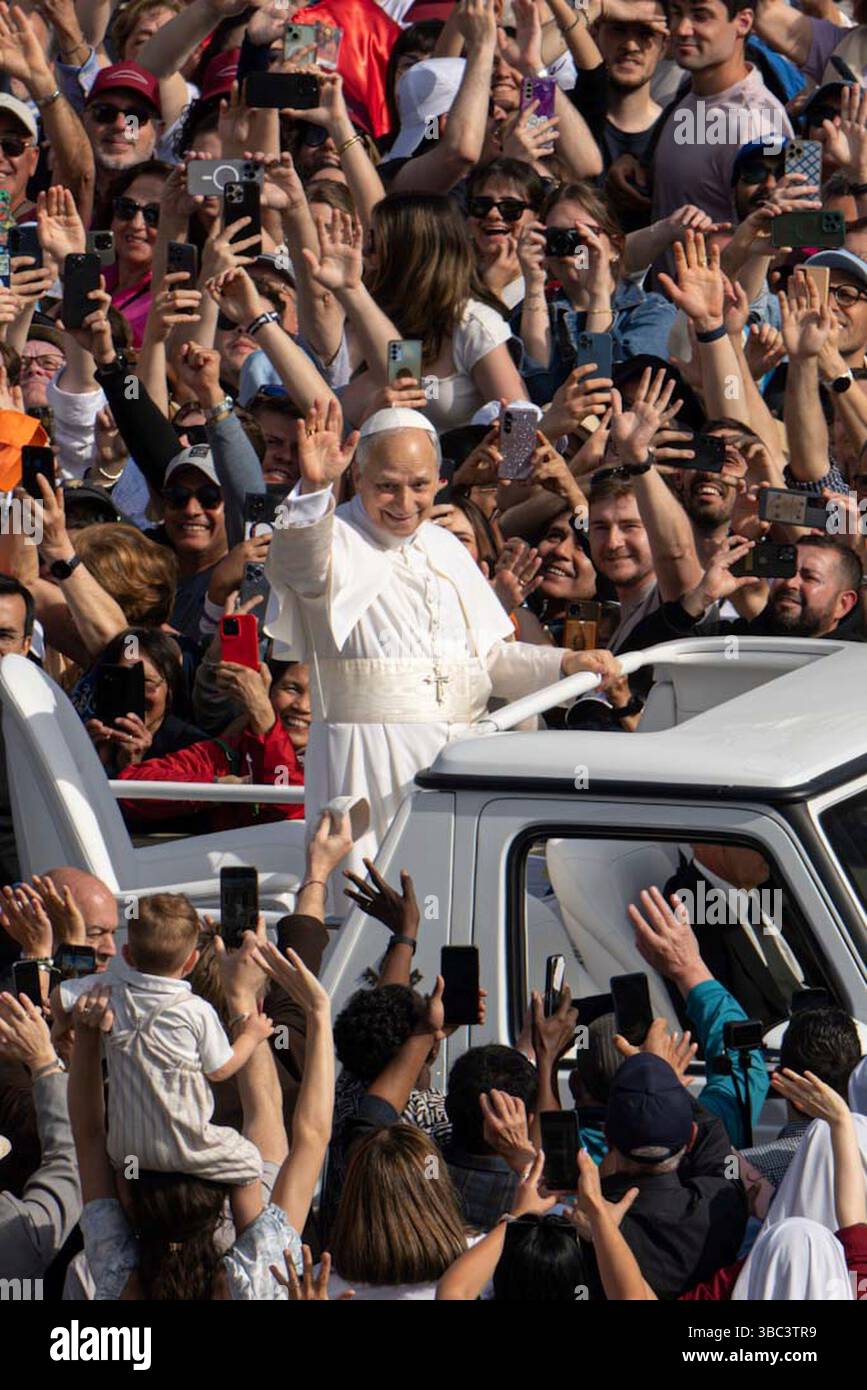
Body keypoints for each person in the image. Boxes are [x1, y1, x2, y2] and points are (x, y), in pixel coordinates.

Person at [265, 401, 619, 886]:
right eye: (386, 486)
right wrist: (313, 489)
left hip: (453, 757)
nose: (405, 503)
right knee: (372, 898)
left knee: (451, 896)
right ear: (359, 477)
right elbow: (299, 566)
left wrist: (564, 663)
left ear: (439, 479)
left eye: (420, 486)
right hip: (367, 759)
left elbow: (489, 660)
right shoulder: (335, 538)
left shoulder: (446, 546)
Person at [54, 893, 269, 1186]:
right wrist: (251, 1036)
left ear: (127, 955)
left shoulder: (109, 987)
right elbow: (220, 1069)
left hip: (125, 1151)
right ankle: (251, 1229)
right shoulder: (196, 1010)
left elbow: (58, 996)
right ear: (192, 960)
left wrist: (61, 1026)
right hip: (187, 1148)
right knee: (253, 1164)